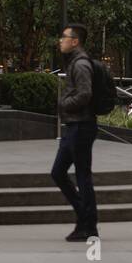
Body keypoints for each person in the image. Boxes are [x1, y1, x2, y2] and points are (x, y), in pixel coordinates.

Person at [51, 23, 99, 242]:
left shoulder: (80, 64)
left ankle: (88, 225)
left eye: (64, 37)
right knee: (58, 172)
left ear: (75, 41)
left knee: (82, 176)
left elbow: (85, 94)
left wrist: (64, 104)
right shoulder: (75, 62)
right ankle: (85, 217)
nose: (60, 40)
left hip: (81, 126)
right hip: (75, 126)